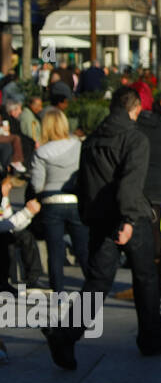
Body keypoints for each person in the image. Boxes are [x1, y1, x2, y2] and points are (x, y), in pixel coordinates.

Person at [41, 87, 161, 369]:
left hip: (100, 219)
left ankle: (65, 335)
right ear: (134, 109)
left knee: (98, 282)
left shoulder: (91, 139)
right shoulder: (135, 138)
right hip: (129, 218)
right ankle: (151, 337)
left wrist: (91, 217)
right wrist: (126, 220)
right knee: (145, 276)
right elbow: (130, 183)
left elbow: (86, 183)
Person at [115, 83, 161, 301]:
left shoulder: (131, 124)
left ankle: (142, 286)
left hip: (136, 184)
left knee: (137, 234)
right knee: (156, 233)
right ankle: (157, 286)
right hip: (157, 186)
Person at [30, 108, 89, 294]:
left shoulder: (41, 152)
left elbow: (37, 185)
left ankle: (58, 291)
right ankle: (95, 286)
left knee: (54, 251)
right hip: (74, 199)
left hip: (51, 201)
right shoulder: (78, 146)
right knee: (83, 248)